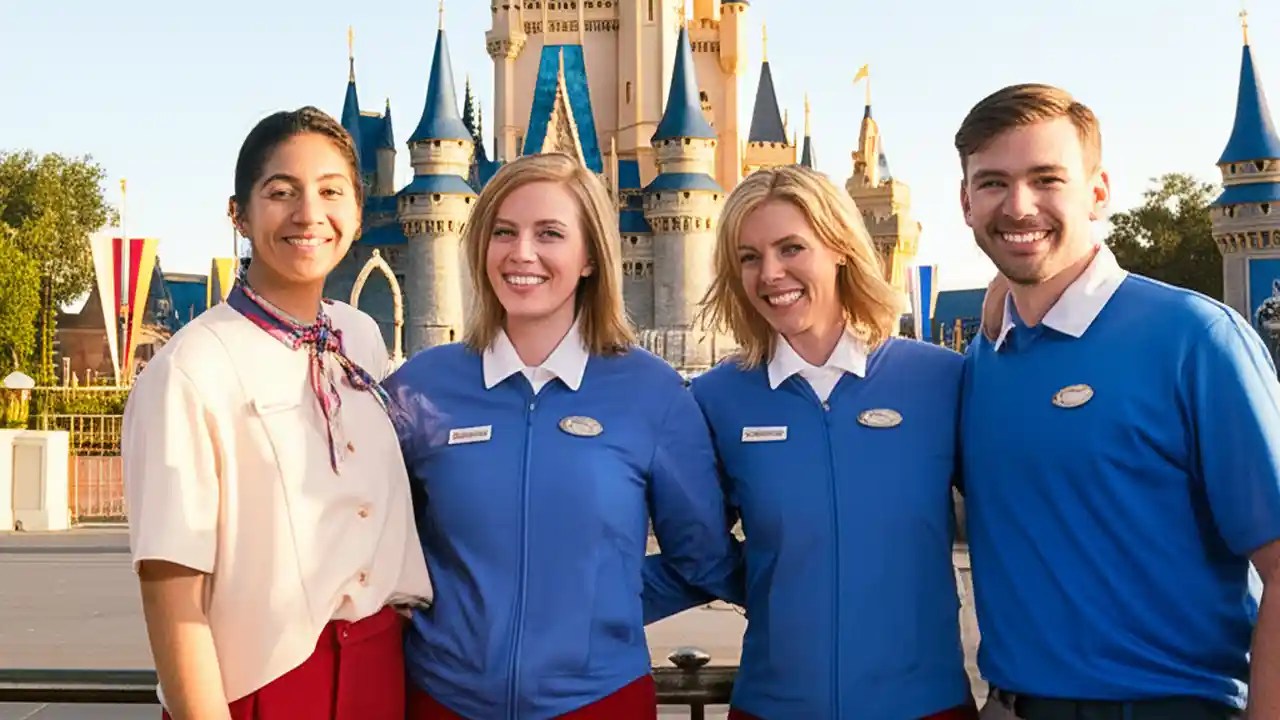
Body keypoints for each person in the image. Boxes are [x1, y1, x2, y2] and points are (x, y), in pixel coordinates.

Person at [956, 83, 1280, 720]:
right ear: (966, 202)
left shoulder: (1195, 339)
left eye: (1047, 179)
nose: (1019, 206)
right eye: (993, 183)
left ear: (1098, 192)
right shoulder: (982, 361)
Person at [383, 152, 742, 720]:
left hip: (597, 703)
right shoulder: (420, 389)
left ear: (591, 258)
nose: (522, 252)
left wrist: (598, 608)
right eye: (504, 232)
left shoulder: (651, 393)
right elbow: (367, 541)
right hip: (445, 701)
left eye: (549, 233)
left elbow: (700, 559)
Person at [122, 106, 432, 720]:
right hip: (263, 686)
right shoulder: (192, 368)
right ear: (238, 213)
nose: (308, 214)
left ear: (359, 211)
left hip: (380, 669)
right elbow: (171, 594)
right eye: (281, 192)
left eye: (330, 192)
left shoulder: (360, 338)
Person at [643, 164, 977, 719]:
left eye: (791, 248)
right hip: (773, 706)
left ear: (841, 247)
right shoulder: (715, 399)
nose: (770, 273)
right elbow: (693, 551)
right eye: (749, 257)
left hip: (925, 706)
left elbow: (1017, 524)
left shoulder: (941, 380)